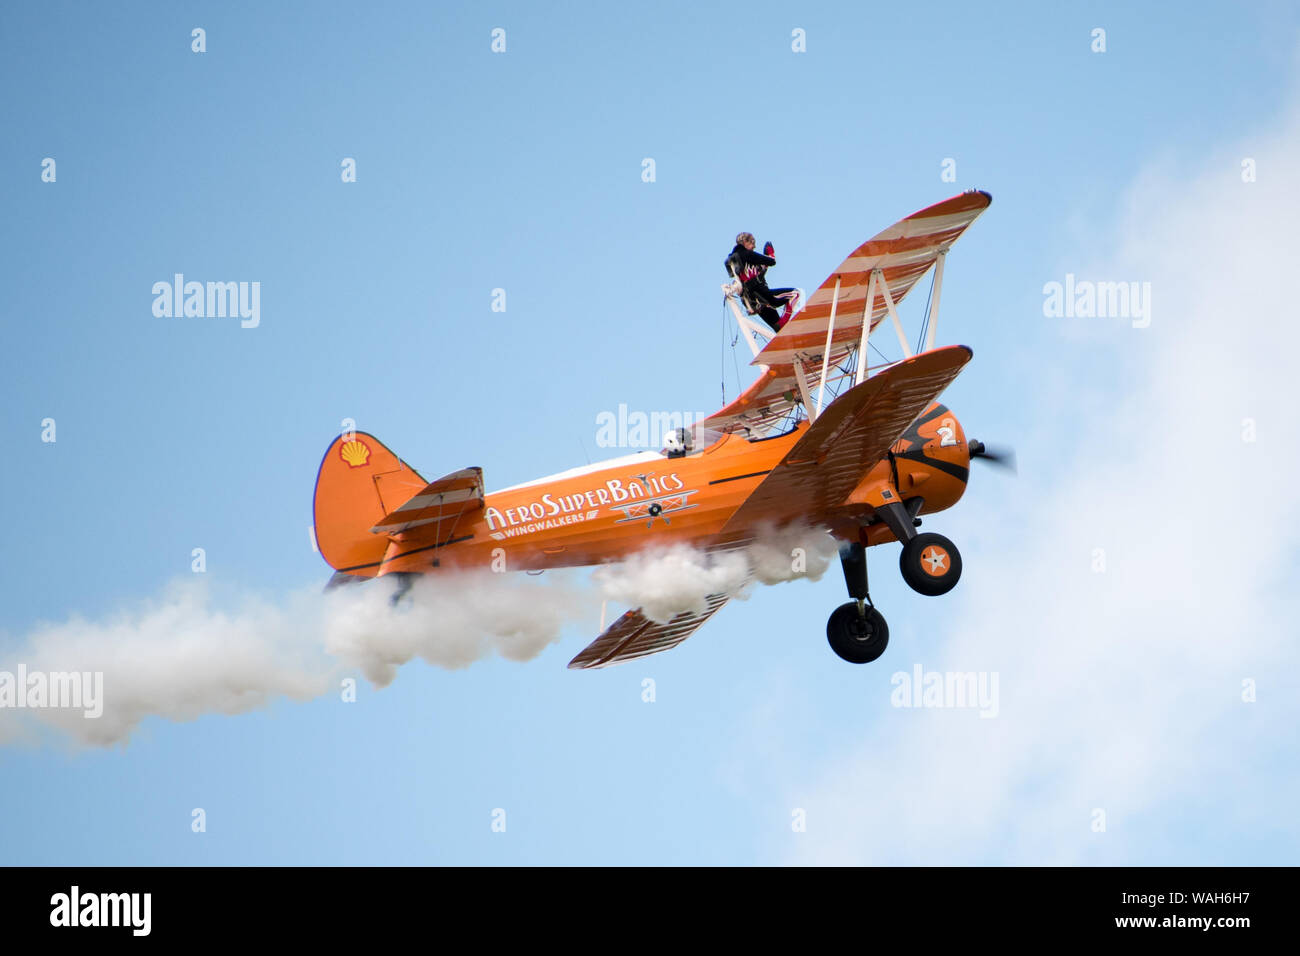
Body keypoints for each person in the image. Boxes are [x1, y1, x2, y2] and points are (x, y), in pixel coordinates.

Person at [724, 232, 800, 332]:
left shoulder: (734, 261)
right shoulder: (747, 254)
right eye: (752, 243)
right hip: (764, 295)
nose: (754, 246)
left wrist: (764, 262)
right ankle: (786, 319)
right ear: (745, 242)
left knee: (780, 329)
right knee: (796, 294)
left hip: (753, 302)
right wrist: (770, 253)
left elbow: (756, 275)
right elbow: (772, 261)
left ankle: (782, 327)